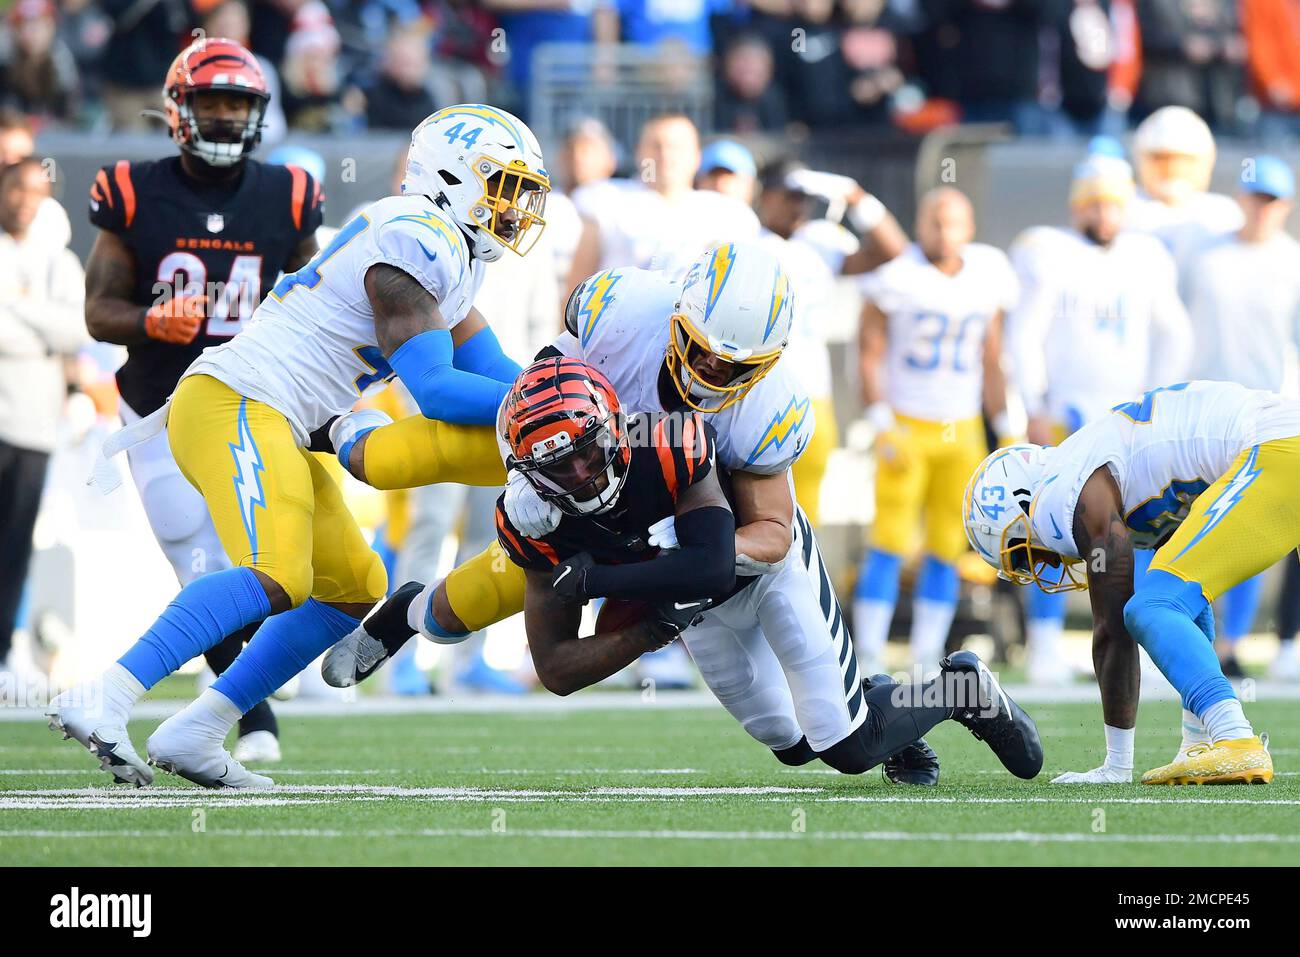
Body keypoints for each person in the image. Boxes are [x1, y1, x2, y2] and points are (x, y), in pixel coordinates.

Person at [50, 103, 551, 789]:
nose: (515, 205)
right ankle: (107, 691)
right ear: (451, 175)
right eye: (503, 185)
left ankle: (199, 728)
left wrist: (574, 393)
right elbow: (435, 389)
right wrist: (551, 406)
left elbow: (498, 373)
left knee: (354, 587)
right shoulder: (417, 239)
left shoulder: (447, 250)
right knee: (279, 572)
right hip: (235, 401)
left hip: (273, 418)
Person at [323, 244, 864, 771]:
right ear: (678, 315)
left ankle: (414, 612)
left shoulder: (769, 406)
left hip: (638, 512)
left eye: (733, 367)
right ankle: (342, 430)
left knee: (498, 588)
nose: (710, 374)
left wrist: (684, 544)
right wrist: (520, 470)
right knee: (420, 462)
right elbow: (534, 387)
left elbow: (771, 529)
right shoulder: (624, 312)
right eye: (699, 349)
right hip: (565, 448)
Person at [494, 355, 1043, 783]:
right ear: (526, 476)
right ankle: (882, 708)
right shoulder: (531, 521)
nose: (583, 473)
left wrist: (597, 581)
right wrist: (651, 628)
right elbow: (557, 670)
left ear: (616, 424)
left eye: (589, 450)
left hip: (761, 569)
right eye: (557, 468)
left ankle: (959, 688)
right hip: (693, 614)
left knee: (845, 748)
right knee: (793, 742)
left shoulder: (669, 444)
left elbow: (710, 568)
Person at [81, 37, 322, 765]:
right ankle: (253, 714)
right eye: (210, 102)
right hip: (159, 401)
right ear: (178, 110)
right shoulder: (133, 187)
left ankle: (238, 709)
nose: (223, 116)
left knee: (260, 559)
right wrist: (153, 320)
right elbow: (98, 311)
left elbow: (314, 302)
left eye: (237, 104)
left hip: (250, 398)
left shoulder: (288, 193)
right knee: (194, 553)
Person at [964, 381, 1287, 785]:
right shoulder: (1099, 463)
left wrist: (1116, 766)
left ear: (1025, 501)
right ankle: (1201, 742)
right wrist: (1190, 740)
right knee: (1173, 596)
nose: (1045, 564)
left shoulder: (1057, 492)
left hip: (1274, 450)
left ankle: (1234, 738)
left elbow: (1113, 626)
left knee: (1149, 609)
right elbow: (1192, 600)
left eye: (1027, 553)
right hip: (1277, 446)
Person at [1007, 153, 1191, 683]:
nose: (1103, 213)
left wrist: (1161, 397)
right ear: (1074, 206)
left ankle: (1150, 637)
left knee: (1146, 529)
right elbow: (1025, 335)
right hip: (1069, 410)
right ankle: (1043, 644)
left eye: (1112, 202)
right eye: (1092, 202)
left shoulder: (1147, 255)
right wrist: (1034, 404)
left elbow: (1174, 330)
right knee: (1052, 528)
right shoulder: (1051, 252)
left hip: (1130, 416)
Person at [851, 187, 1018, 676]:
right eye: (934, 221)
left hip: (961, 429)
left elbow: (992, 358)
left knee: (947, 544)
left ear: (969, 228)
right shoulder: (896, 277)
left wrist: (1005, 427)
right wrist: (879, 420)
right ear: (919, 223)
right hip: (906, 424)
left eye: (953, 222)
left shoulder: (987, 276)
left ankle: (927, 654)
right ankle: (869, 655)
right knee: (888, 541)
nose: (943, 231)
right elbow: (868, 352)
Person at [1181, 155, 1300, 677]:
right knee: (1191, 518)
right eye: (1254, 198)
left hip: (1269, 412)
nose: (1259, 210)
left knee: (1247, 525)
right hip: (1207, 409)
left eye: (1270, 201)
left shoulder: (1292, 262)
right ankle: (1190, 636)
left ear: (1286, 206)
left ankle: (1232, 643)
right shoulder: (1206, 256)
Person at [0, 158, 87, 680]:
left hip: (34, 424)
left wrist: (16, 309)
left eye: (36, 190)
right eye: (16, 188)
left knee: (14, 546)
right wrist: (38, 323)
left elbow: (76, 331)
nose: (25, 200)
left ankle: (3, 653)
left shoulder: (60, 260)